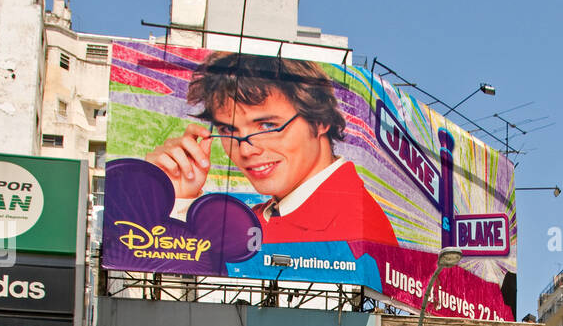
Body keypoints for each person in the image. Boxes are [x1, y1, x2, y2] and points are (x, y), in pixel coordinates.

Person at [146, 53, 399, 248]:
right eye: (228, 130)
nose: (245, 150)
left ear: (320, 121)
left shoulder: (355, 228)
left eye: (267, 125)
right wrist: (178, 198)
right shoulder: (266, 214)